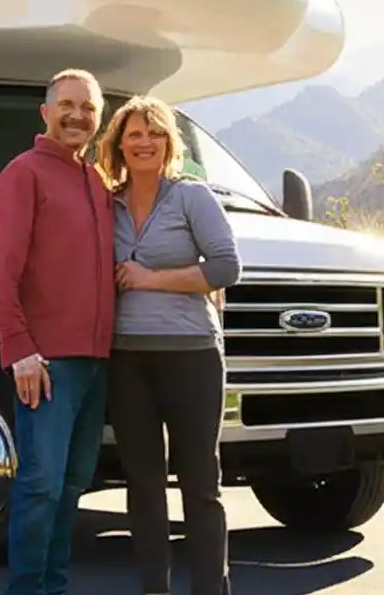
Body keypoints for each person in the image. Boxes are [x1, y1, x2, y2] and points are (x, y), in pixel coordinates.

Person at [95, 95, 242, 595]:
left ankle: (211, 588)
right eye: (134, 134)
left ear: (168, 142)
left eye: (154, 132)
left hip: (191, 357)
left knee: (200, 483)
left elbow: (226, 268)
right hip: (128, 360)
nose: (144, 142)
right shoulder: (105, 203)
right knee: (144, 486)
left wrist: (149, 279)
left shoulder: (191, 196)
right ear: (118, 144)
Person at [0, 68, 116, 595]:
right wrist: (21, 351)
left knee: (72, 484)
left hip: (97, 363)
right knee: (40, 485)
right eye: (67, 104)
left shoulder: (99, 181)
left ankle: (52, 587)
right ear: (46, 112)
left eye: (88, 107)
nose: (78, 115)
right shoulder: (24, 173)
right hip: (46, 364)